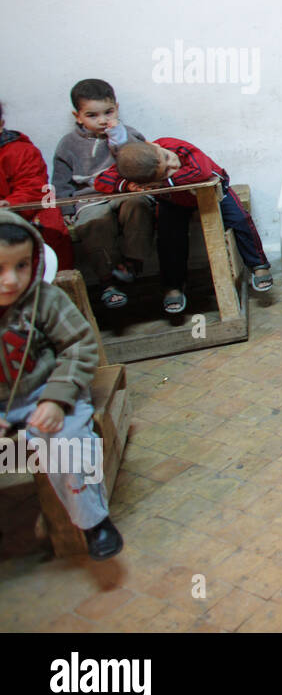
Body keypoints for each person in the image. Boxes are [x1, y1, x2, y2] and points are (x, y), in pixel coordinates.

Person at [0, 211, 122, 560]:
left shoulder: (45, 300)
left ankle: (92, 521)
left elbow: (78, 346)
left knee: (68, 442)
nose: (11, 280)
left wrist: (56, 400)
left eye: (21, 266)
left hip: (47, 390)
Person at [97, 139, 272, 314]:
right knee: (169, 238)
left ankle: (258, 265)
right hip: (174, 202)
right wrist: (128, 185)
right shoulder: (141, 165)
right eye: (166, 171)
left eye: (166, 157)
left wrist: (164, 183)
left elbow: (200, 172)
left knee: (240, 220)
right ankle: (174, 286)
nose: (172, 164)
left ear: (154, 145)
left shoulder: (176, 147)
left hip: (216, 193)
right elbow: (101, 180)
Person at [51, 79, 153, 309]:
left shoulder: (128, 133)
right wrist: (66, 208)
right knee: (93, 223)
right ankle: (109, 281)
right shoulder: (68, 144)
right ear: (78, 116)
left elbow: (143, 162)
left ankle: (133, 262)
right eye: (92, 115)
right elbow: (60, 181)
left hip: (126, 190)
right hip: (90, 198)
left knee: (139, 205)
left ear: (117, 108)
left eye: (108, 112)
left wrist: (119, 138)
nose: (103, 120)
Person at [0, 101, 73, 270]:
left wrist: (9, 203)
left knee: (49, 231)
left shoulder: (21, 151)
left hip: (26, 211)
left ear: (1, 124)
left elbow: (33, 188)